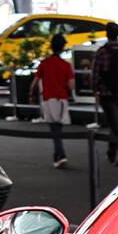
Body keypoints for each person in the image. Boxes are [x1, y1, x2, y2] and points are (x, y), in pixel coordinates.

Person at [91, 22, 118, 165]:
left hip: (107, 93)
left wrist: (95, 90)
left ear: (106, 34)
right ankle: (111, 152)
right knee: (114, 123)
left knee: (115, 125)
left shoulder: (102, 51)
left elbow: (95, 73)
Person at [31, 31, 74, 168]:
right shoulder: (66, 65)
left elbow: (35, 81)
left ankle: (59, 155)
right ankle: (59, 155)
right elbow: (71, 85)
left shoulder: (44, 63)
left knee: (53, 129)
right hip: (61, 99)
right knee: (58, 129)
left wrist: (31, 95)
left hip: (48, 99)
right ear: (62, 47)